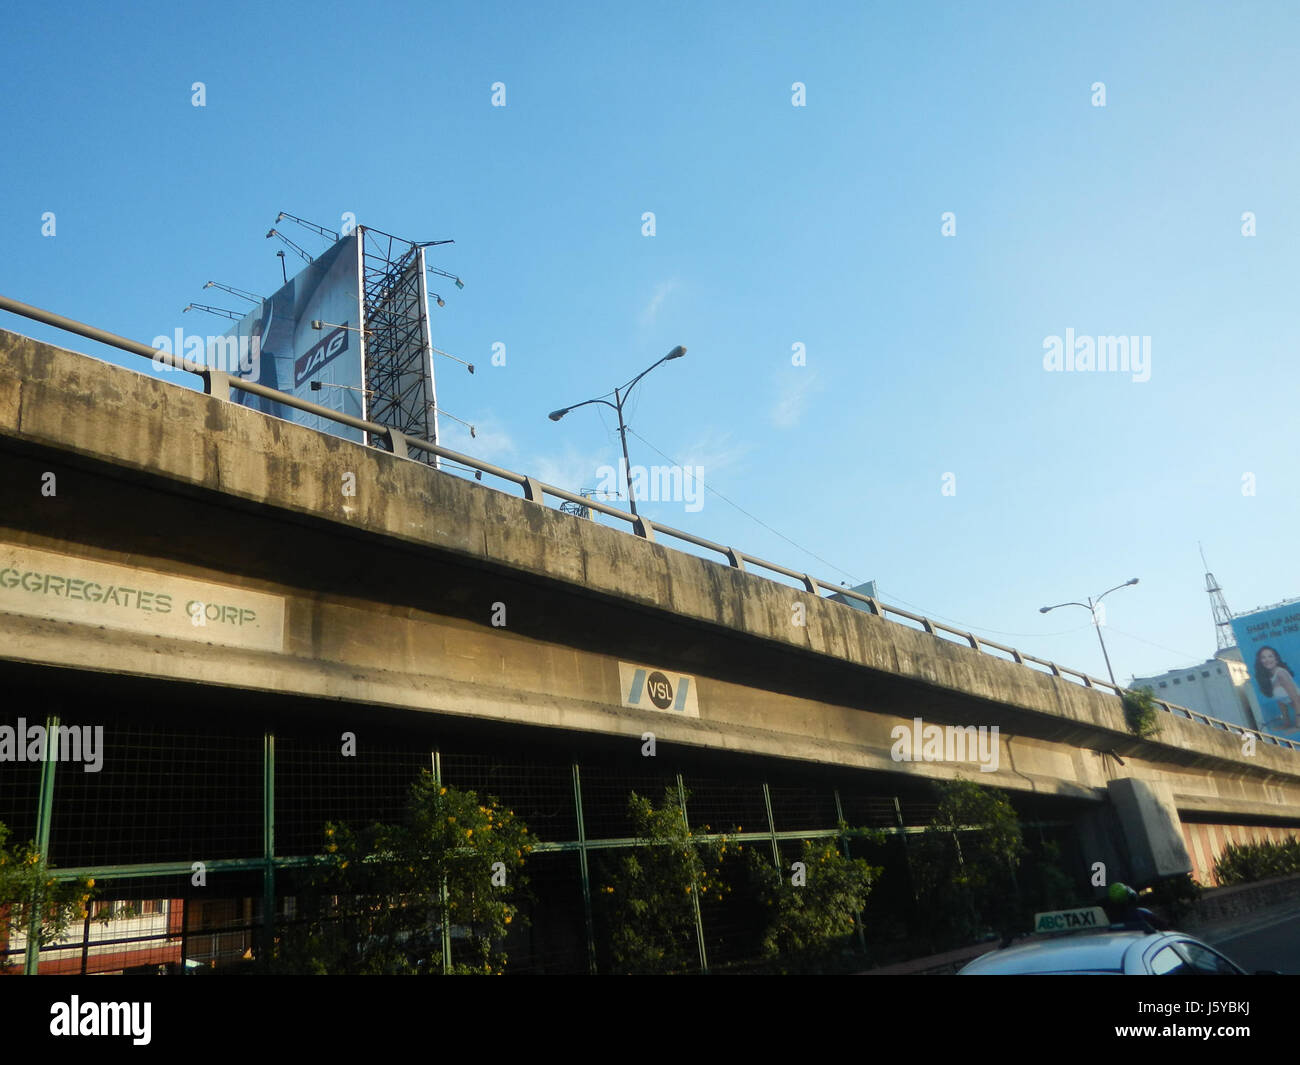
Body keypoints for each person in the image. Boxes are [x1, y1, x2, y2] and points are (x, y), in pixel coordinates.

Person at [1254, 646, 1300, 728]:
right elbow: (1281, 702)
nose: (1267, 660)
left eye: (1270, 656)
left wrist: (1298, 725)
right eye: (1263, 657)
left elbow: (1296, 700)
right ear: (1260, 661)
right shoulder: (1270, 677)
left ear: (1276, 659)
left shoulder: (1280, 673)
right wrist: (1286, 724)